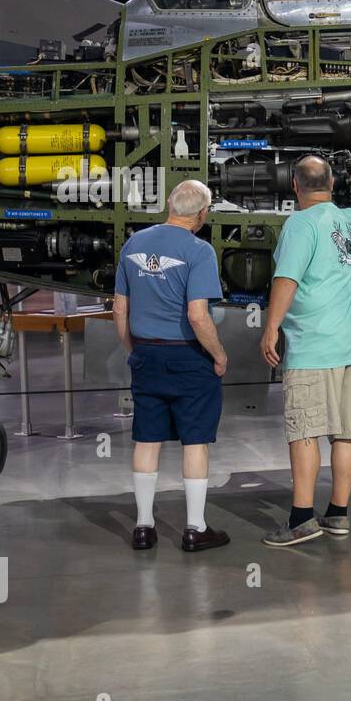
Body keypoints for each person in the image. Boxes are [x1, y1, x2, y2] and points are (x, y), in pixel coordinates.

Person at [258, 156, 351, 547]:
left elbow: (286, 280)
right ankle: (338, 514)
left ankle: (301, 519)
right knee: (346, 433)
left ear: (295, 186)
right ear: (331, 183)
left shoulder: (299, 225)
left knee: (305, 430)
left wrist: (271, 327)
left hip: (314, 344)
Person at [114, 179, 231, 552]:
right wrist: (218, 355)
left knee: (146, 438)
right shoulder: (200, 251)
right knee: (194, 441)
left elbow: (119, 308)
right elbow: (198, 316)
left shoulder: (134, 244)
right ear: (202, 213)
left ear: (169, 204)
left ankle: (144, 526)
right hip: (188, 357)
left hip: (146, 354)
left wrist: (134, 349)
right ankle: (195, 528)